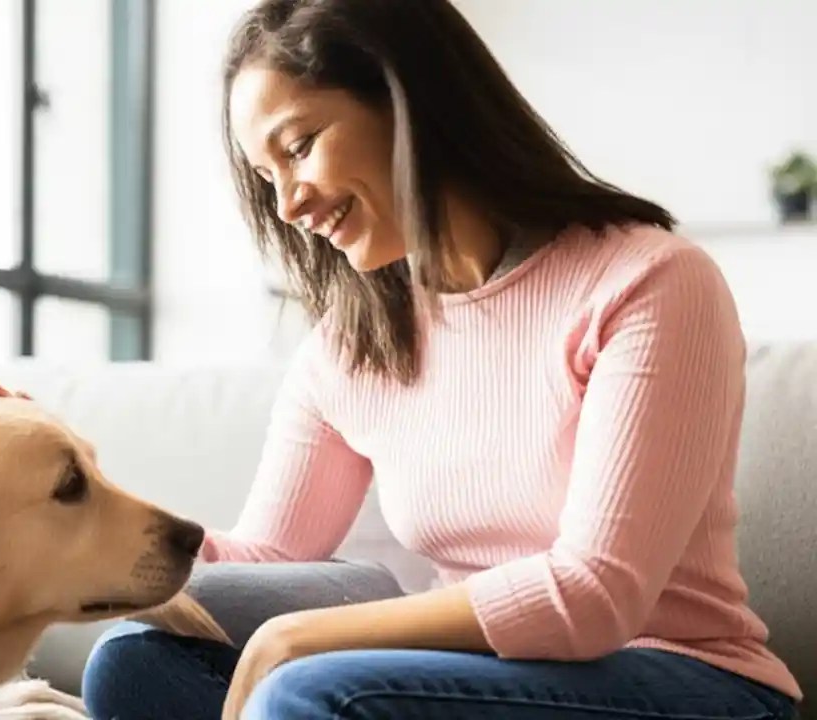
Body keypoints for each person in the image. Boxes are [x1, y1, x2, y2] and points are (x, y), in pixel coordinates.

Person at [71, 0, 804, 718]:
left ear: (410, 101)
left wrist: (301, 636)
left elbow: (597, 594)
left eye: (299, 146)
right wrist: (54, 499)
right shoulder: (351, 343)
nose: (288, 205)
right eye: (267, 178)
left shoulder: (647, 283)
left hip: (681, 680)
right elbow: (267, 558)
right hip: (465, 684)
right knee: (136, 664)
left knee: (307, 693)